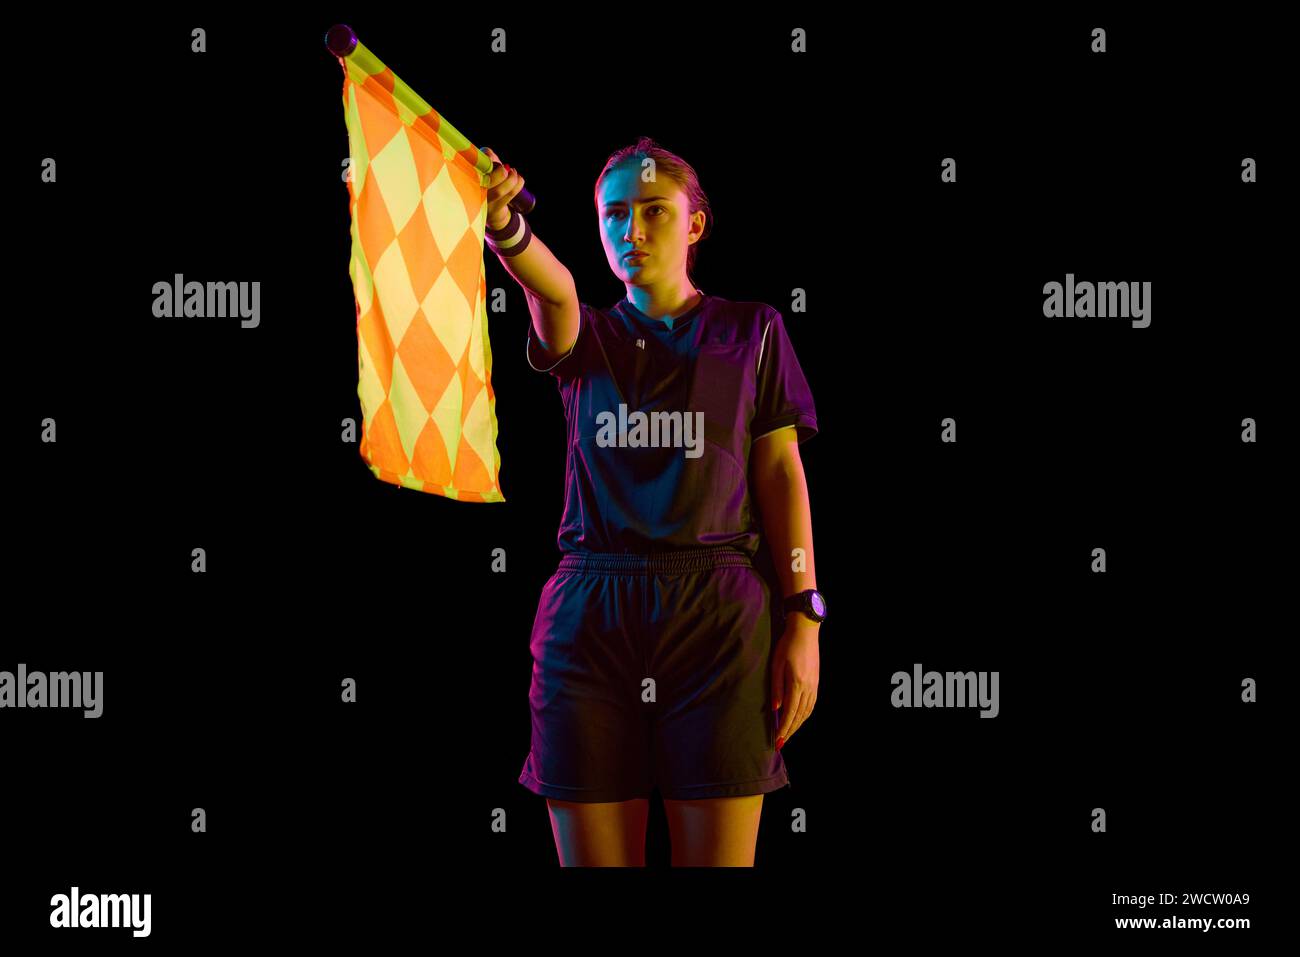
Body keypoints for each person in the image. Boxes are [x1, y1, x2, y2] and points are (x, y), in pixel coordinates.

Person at [484, 137, 825, 866]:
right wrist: (504, 222)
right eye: (613, 215)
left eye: (652, 212)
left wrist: (804, 615)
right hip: (591, 614)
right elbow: (552, 288)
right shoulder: (588, 333)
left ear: (695, 225)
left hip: (719, 615)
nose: (630, 232)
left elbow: (781, 478)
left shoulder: (752, 330)